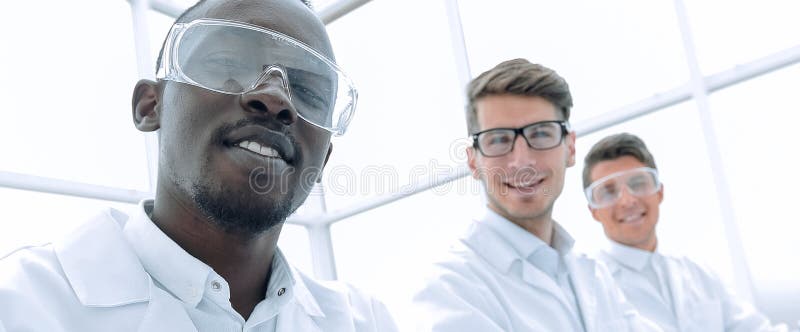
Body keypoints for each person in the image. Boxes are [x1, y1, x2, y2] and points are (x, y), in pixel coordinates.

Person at [0, 0, 398, 331]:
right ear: (150, 106)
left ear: (324, 158)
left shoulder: (364, 322)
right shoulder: (23, 304)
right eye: (229, 62)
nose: (276, 97)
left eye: (308, 89)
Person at [413, 59, 660, 331]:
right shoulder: (452, 290)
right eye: (498, 139)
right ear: (473, 161)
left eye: (541, 134)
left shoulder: (593, 275)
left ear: (570, 147)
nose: (522, 161)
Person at [583, 132, 788, 332]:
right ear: (594, 211)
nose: (627, 200)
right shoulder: (589, 289)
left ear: (660, 192)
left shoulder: (698, 274)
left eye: (638, 183)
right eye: (608, 192)